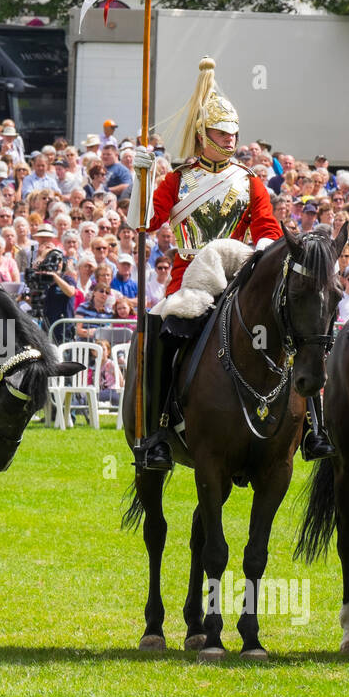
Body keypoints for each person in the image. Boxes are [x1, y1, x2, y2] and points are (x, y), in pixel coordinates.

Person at [130, 57, 286, 470]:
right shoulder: (178, 179)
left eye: (234, 133)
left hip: (239, 275)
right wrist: (141, 181)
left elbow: (267, 227)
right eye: (220, 132)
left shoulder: (249, 180)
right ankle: (158, 430)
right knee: (163, 335)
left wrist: (264, 255)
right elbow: (144, 222)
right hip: (188, 280)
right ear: (202, 135)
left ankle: (306, 424)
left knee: (293, 327)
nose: (230, 139)